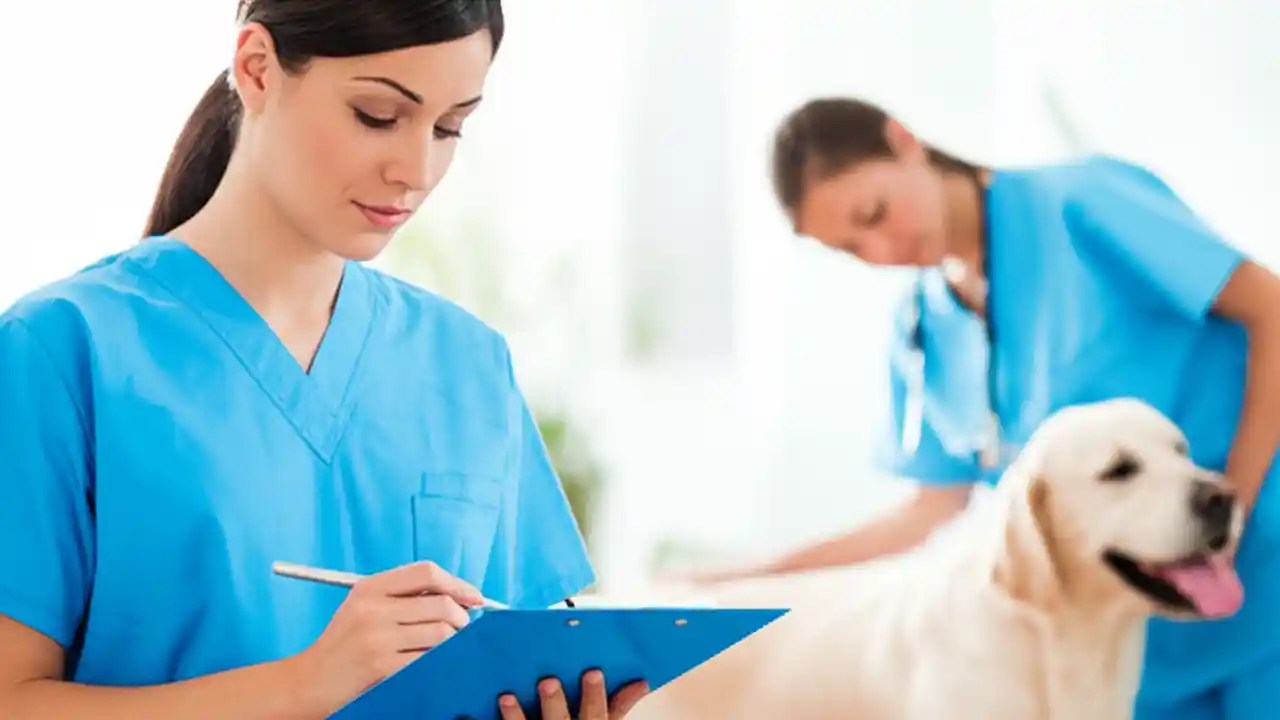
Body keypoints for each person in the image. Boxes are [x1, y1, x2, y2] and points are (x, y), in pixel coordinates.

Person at [0, 2, 648, 718]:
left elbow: (520, 656)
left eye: (449, 127)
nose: (417, 168)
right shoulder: (63, 348)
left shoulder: (467, 363)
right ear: (256, 69)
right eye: (377, 115)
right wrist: (305, 685)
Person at [699, 97, 1280, 719]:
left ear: (904, 141)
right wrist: (745, 581)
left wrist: (1234, 503)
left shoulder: (1081, 204)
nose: (882, 249)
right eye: (852, 248)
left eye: (876, 212)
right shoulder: (922, 334)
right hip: (1133, 659)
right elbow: (925, 515)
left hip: (1260, 591)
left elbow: (1270, 308)